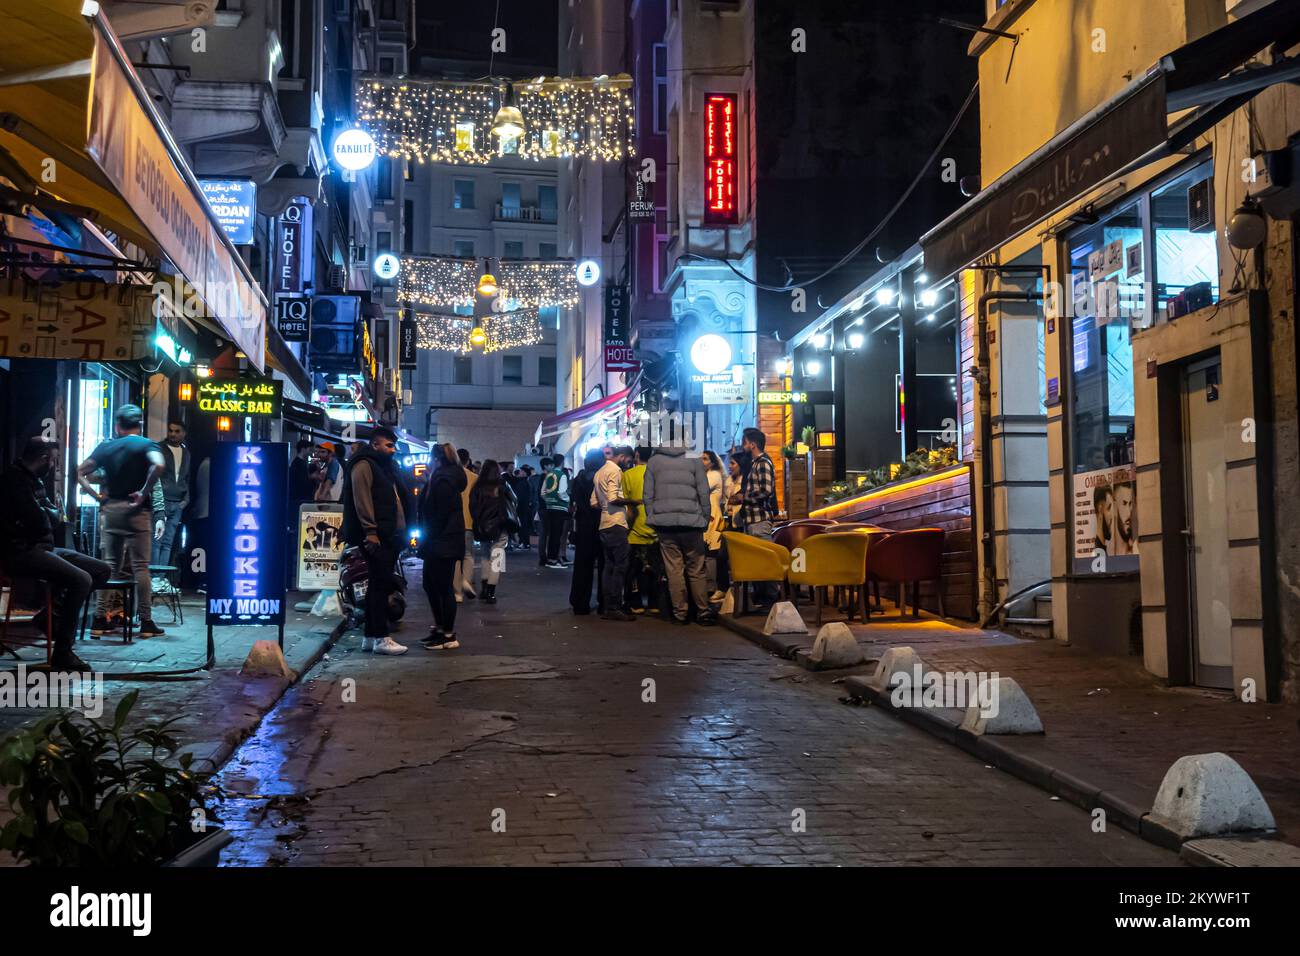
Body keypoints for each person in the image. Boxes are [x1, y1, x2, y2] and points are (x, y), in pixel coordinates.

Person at [0, 437, 111, 672]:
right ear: (42, 458)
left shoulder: (34, 480)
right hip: (20, 551)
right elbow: (40, 520)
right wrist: (47, 515)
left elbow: (54, 516)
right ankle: (63, 653)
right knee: (82, 579)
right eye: (53, 460)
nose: (53, 465)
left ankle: (49, 616)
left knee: (102, 570)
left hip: (43, 547)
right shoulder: (14, 480)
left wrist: (47, 515)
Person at [77, 404, 167, 638]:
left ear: (117, 425)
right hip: (137, 511)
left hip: (111, 510)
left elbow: (79, 471)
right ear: (140, 424)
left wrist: (95, 495)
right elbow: (158, 464)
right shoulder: (147, 445)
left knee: (110, 566)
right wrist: (144, 491)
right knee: (140, 567)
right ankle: (146, 622)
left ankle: (98, 620)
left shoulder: (106, 447)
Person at [340, 426, 412, 655]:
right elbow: (362, 501)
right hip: (377, 537)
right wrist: (371, 532)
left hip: (386, 534)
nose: (393, 450)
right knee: (380, 586)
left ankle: (371, 636)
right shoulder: (364, 465)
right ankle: (380, 637)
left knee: (378, 586)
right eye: (388, 445)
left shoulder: (382, 466)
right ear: (375, 445)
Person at [644, 438, 716, 626]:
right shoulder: (694, 459)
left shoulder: (654, 461)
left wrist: (653, 517)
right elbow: (703, 492)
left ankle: (680, 612)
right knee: (696, 568)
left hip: (665, 524)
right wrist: (705, 518)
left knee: (673, 569)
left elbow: (648, 494)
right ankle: (702, 610)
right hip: (691, 523)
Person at [419, 443, 466, 650]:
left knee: (442, 586)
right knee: (431, 584)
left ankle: (447, 633)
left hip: (443, 541)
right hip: (441, 540)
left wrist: (433, 536)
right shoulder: (441, 478)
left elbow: (440, 513)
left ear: (436, 459)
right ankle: (441, 629)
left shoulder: (444, 480)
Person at [590, 447, 633, 621]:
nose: (628, 463)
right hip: (616, 524)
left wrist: (606, 508)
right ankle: (615, 606)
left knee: (608, 566)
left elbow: (594, 502)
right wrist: (634, 502)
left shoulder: (599, 472)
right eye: (628, 460)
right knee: (620, 566)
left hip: (604, 524)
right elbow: (613, 497)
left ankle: (608, 606)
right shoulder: (615, 471)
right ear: (622, 457)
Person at [738, 427, 779, 606]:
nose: (742, 445)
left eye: (744, 442)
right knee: (757, 562)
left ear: (752, 444)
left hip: (760, 520)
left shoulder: (762, 462)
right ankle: (762, 598)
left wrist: (744, 497)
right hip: (752, 520)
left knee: (765, 561)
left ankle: (771, 599)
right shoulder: (755, 463)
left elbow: (766, 490)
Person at [468, 460, 517, 604]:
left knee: (485, 555)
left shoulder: (477, 486)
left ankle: (484, 588)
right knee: (497, 558)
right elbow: (514, 499)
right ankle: (491, 591)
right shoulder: (502, 485)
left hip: (482, 526)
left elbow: (472, 507)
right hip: (499, 526)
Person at [151, 421, 190, 590]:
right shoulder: (159, 448)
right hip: (163, 499)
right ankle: (154, 578)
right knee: (157, 540)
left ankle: (159, 579)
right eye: (170, 430)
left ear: (184, 433)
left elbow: (186, 477)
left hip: (177, 502)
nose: (173, 434)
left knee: (168, 542)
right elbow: (154, 473)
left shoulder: (186, 452)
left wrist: (186, 500)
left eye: (177, 431)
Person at [621, 447, 660, 615]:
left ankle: (634, 603)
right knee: (655, 570)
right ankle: (654, 603)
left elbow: (626, 504)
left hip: (634, 532)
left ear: (636, 455)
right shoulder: (658, 475)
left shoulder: (628, 475)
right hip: (656, 530)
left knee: (632, 571)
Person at [568, 448, 606, 615]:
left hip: (583, 525)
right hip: (601, 523)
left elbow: (573, 503)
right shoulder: (601, 478)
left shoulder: (577, 479)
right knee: (604, 564)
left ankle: (579, 602)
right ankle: (604, 602)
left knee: (582, 566)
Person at [701, 449, 727, 602]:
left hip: (712, 517)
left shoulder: (714, 475)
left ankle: (714, 587)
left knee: (712, 553)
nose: (702, 461)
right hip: (707, 516)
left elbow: (701, 490)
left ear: (712, 461)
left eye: (704, 459)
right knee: (707, 553)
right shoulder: (706, 475)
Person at [455, 448, 478, 600]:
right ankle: (466, 581)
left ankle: (457, 594)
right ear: (468, 461)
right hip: (469, 521)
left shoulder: (449, 476)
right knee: (468, 555)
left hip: (453, 522)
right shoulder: (475, 478)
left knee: (455, 557)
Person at [540, 453, 571, 567]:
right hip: (560, 508)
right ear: (562, 463)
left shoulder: (549, 475)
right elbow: (561, 492)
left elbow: (542, 493)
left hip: (549, 507)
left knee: (551, 534)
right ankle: (553, 560)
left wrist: (548, 500)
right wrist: (567, 500)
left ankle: (550, 558)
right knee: (557, 535)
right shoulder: (562, 475)